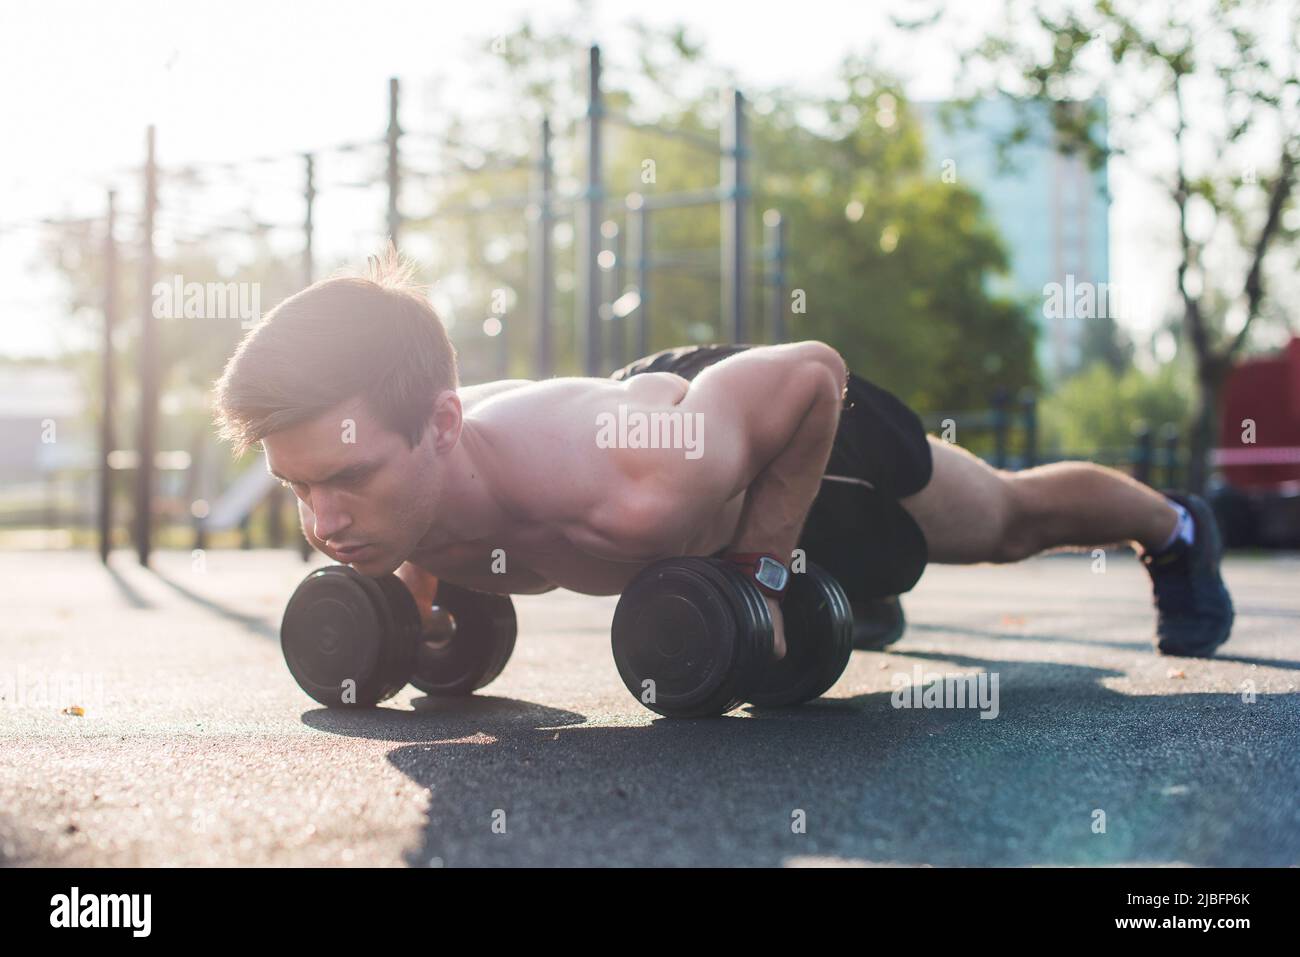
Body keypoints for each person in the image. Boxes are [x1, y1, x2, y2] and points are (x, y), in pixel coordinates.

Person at [213, 254, 1234, 661]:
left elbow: (810, 376)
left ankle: (1177, 527)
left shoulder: (632, 477)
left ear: (438, 426)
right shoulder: (401, 475)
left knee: (1011, 522)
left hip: (758, 438)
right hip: (678, 455)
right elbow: (422, 510)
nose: (323, 523)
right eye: (301, 488)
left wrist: (765, 570)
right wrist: (424, 616)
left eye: (345, 482)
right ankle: (850, 585)